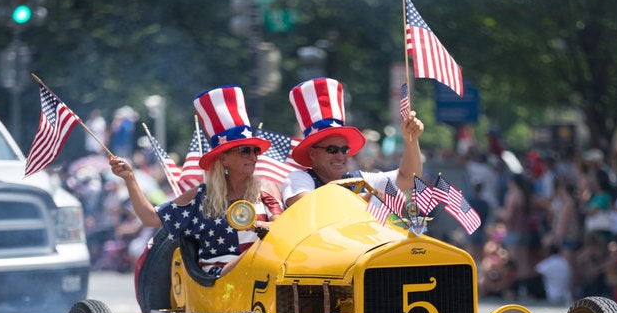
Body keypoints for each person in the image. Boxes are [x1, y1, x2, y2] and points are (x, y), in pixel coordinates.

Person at [109, 85, 282, 278]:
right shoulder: (200, 197)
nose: (253, 156)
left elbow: (282, 228)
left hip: (262, 274)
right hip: (218, 280)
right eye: (244, 150)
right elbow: (149, 218)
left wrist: (253, 226)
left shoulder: (266, 189)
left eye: (254, 150)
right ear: (223, 159)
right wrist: (130, 178)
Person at [281, 77, 424, 207]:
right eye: (331, 149)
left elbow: (408, 178)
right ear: (312, 153)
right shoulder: (298, 178)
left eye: (344, 150)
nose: (340, 156)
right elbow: (307, 206)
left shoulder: (360, 179)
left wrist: (410, 139)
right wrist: (359, 199)